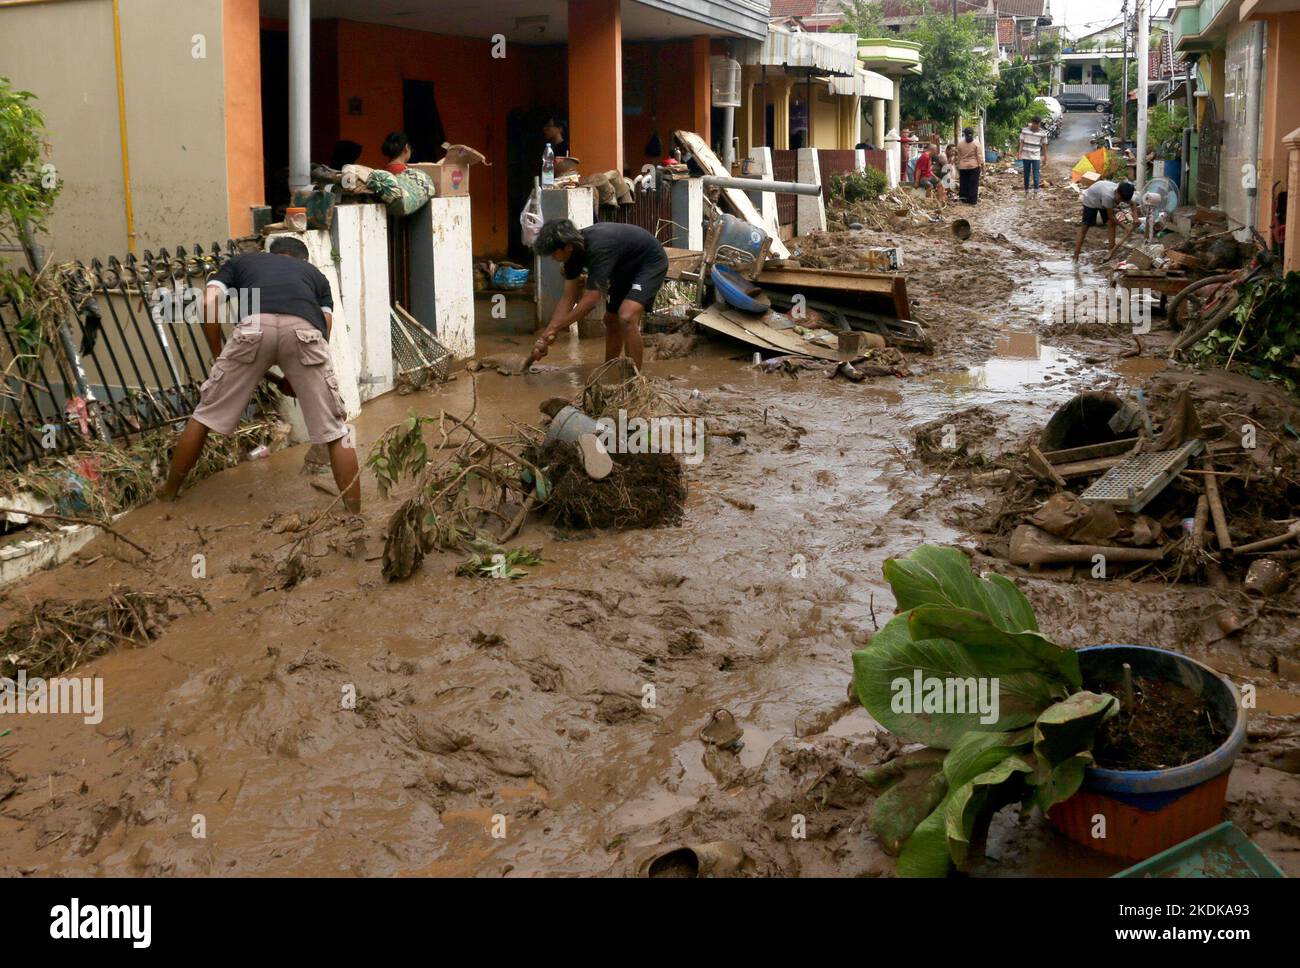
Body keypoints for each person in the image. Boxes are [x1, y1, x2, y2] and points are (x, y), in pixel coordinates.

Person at [159, 237, 360, 512]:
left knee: (204, 415)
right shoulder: (315, 276)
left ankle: (168, 495)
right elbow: (324, 326)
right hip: (305, 334)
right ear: (303, 261)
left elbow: (208, 302)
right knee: (336, 431)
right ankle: (354, 514)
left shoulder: (242, 261)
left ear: (270, 254)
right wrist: (299, 374)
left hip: (253, 329)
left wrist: (218, 351)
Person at [529, 219, 669, 371]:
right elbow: (568, 297)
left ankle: (633, 380)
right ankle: (607, 370)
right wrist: (547, 334)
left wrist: (555, 328)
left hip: (649, 262)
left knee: (627, 317)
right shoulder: (572, 255)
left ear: (567, 246)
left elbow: (590, 301)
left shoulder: (599, 247)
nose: (553, 258)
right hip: (623, 268)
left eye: (553, 253)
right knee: (611, 320)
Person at [1073, 179, 1138, 261]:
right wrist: (1125, 228)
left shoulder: (1125, 192)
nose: (1120, 201)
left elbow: (1132, 203)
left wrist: (1135, 219)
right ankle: (1075, 256)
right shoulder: (1108, 196)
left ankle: (1111, 251)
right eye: (1120, 199)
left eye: (1122, 200)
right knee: (1085, 227)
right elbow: (1110, 216)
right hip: (1091, 199)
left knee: (1112, 224)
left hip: (1102, 196)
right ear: (1117, 192)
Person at [1018, 116, 1049, 195]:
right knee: (1026, 174)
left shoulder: (1043, 133)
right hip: (1026, 155)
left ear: (1039, 124)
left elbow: (1044, 145)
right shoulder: (1024, 130)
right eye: (1033, 124)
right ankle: (1026, 190)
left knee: (1036, 174)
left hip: (1036, 156)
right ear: (1031, 122)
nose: (1034, 125)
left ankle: (1035, 191)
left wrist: (1045, 157)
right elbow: (1021, 142)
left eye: (1036, 124)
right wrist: (1019, 153)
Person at [956, 126, 983, 205]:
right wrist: (982, 166)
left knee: (964, 183)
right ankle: (972, 200)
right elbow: (979, 156)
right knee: (973, 183)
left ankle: (963, 199)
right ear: (973, 134)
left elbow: (959, 156)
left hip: (963, 166)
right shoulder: (976, 143)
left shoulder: (960, 143)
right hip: (974, 166)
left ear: (964, 134)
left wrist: (958, 165)